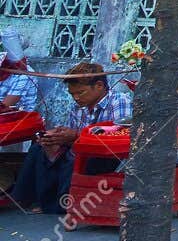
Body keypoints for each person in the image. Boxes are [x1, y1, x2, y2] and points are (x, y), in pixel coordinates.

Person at [11, 62, 132, 214]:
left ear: (99, 86)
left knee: (72, 158)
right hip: (82, 148)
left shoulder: (119, 102)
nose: (76, 98)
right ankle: (31, 199)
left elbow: (120, 137)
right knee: (39, 148)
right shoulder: (78, 107)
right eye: (72, 94)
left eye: (80, 92)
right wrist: (56, 137)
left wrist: (75, 137)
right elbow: (71, 134)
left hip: (109, 156)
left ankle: (60, 205)